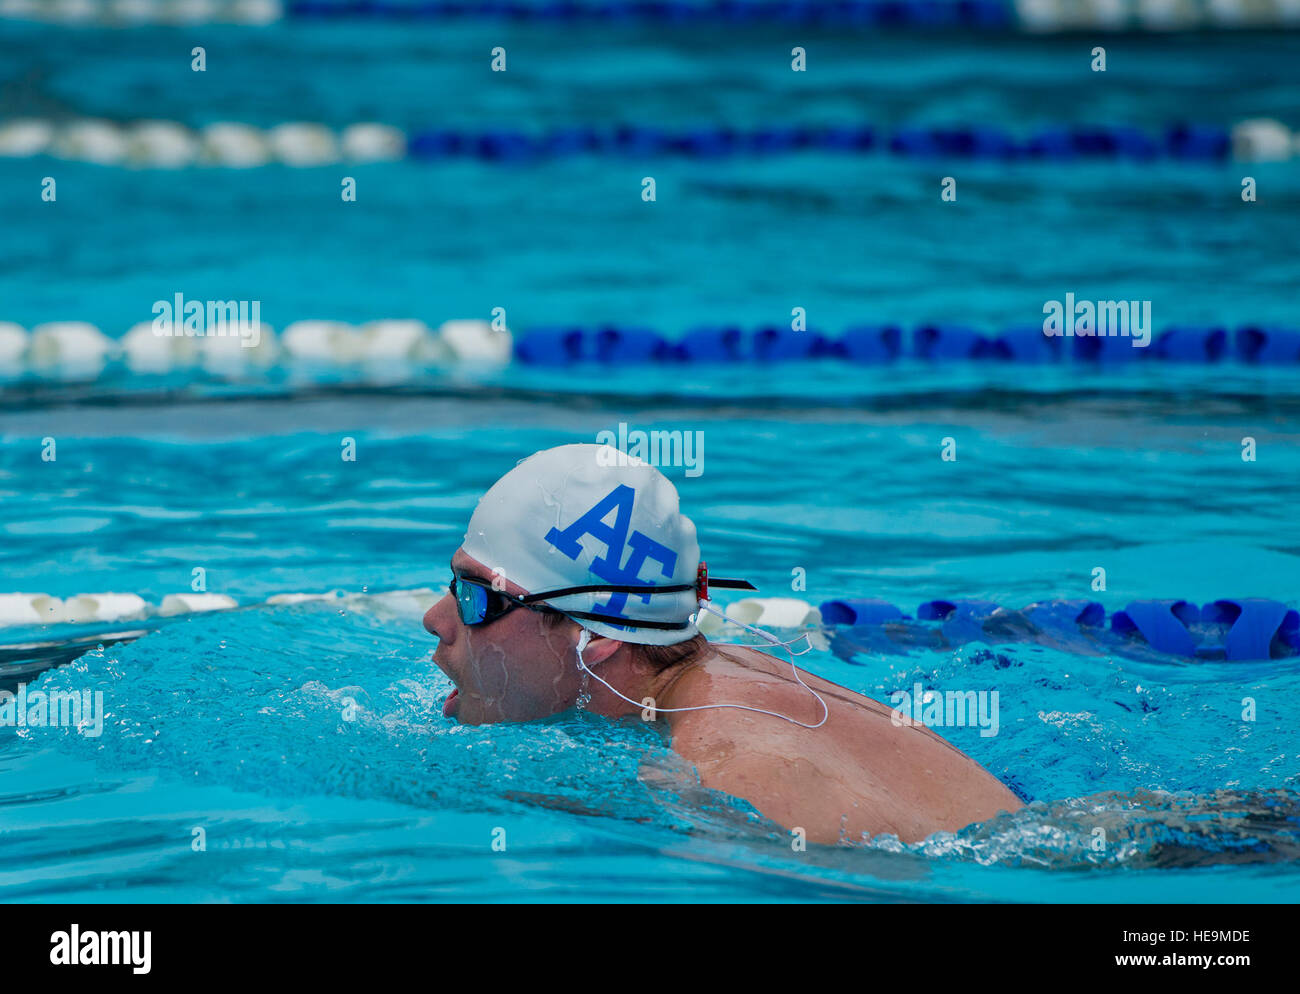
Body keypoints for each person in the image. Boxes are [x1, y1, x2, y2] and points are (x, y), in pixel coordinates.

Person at [424, 443, 1022, 844]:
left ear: (596, 636)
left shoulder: (732, 780)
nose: (435, 618)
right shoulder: (729, 678)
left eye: (478, 597)